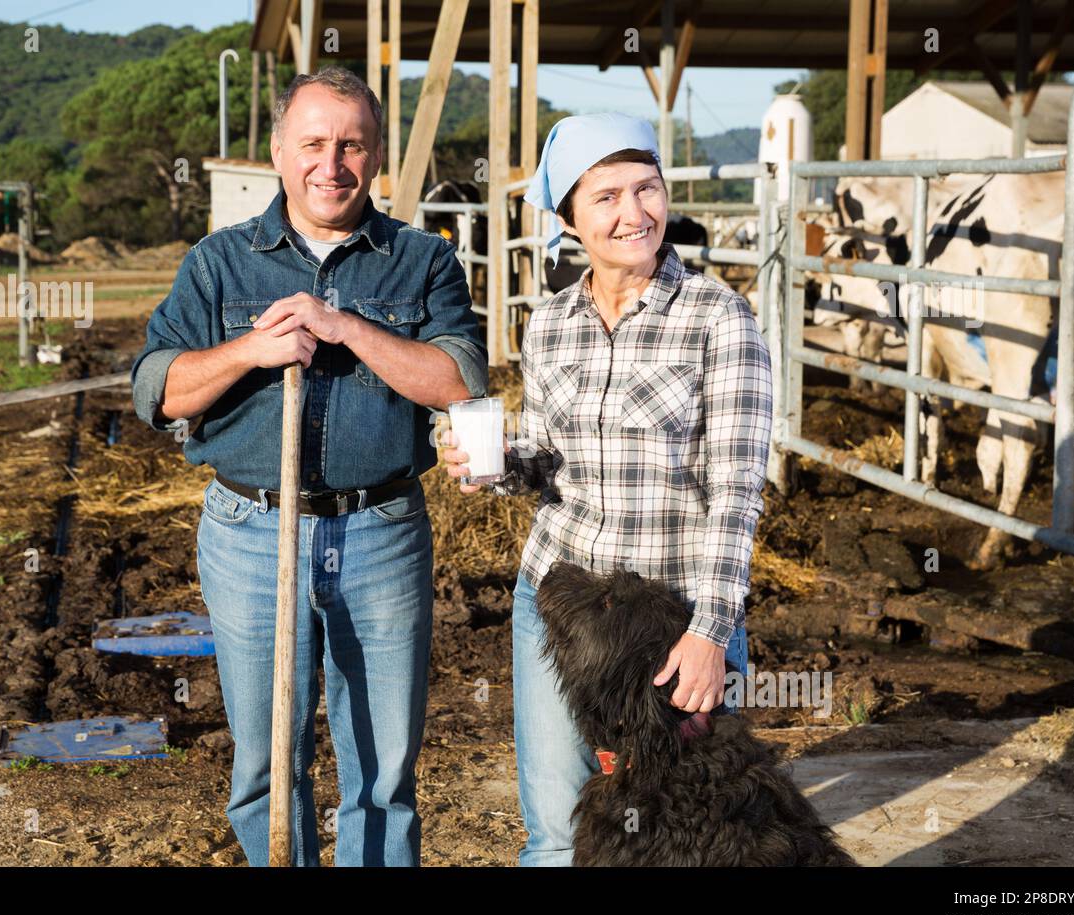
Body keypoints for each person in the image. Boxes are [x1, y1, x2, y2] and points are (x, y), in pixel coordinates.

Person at [131, 66, 487, 866]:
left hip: (383, 531)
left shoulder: (421, 260)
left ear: (377, 154)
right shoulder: (219, 263)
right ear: (279, 151)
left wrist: (346, 327)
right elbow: (156, 391)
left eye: (352, 145)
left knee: (383, 770)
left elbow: (461, 381)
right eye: (314, 143)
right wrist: (251, 350)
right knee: (264, 764)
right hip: (250, 532)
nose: (332, 165)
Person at [441, 113, 773, 866]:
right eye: (607, 198)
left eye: (647, 189)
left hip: (672, 617)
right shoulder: (550, 322)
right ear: (568, 220)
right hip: (558, 601)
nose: (635, 214)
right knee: (560, 830)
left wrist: (711, 632)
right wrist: (496, 467)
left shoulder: (719, 320)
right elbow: (549, 458)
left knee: (700, 833)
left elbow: (738, 492)